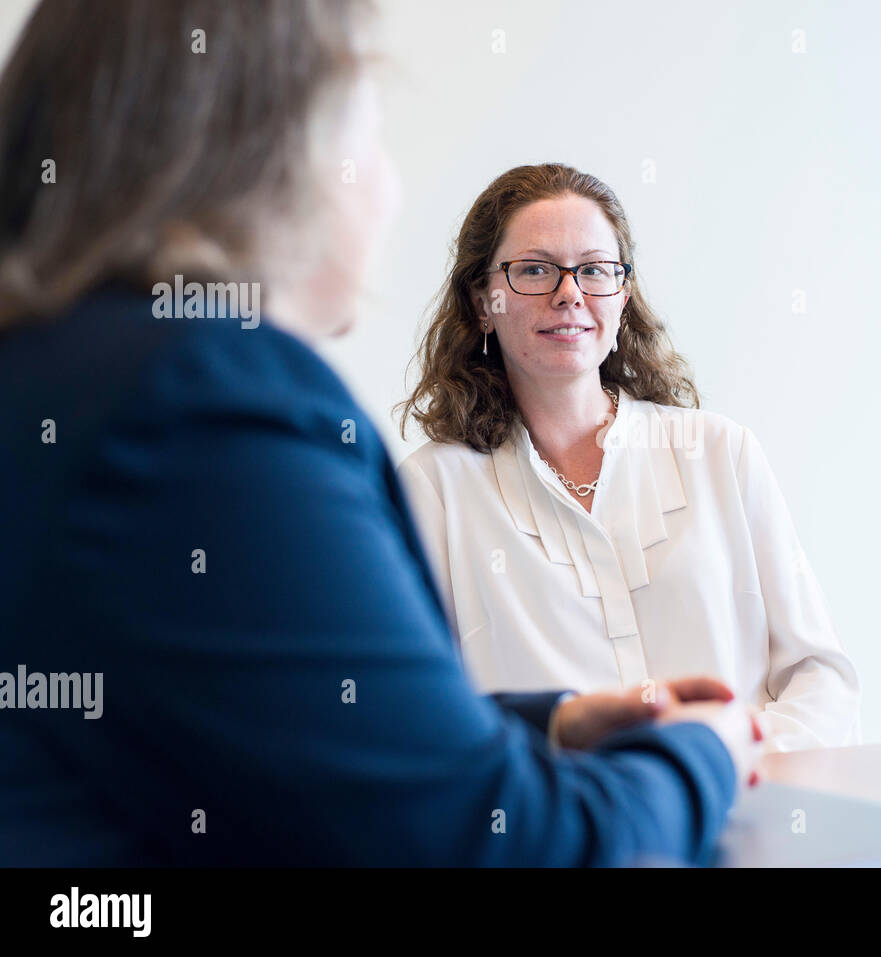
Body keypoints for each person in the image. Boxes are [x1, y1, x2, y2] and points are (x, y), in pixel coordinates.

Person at [0, 0, 760, 867]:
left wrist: (548, 721)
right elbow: (492, 842)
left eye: (595, 271)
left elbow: (279, 720)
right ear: (272, 147)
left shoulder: (60, 370)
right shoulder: (202, 404)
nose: (388, 184)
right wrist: (706, 753)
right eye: (371, 127)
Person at [396, 164, 861, 752]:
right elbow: (423, 715)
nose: (570, 293)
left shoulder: (720, 453)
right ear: (483, 302)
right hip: (564, 833)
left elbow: (822, 678)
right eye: (535, 270)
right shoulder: (432, 491)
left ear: (622, 296)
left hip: (746, 811)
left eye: (593, 270)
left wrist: (730, 771)